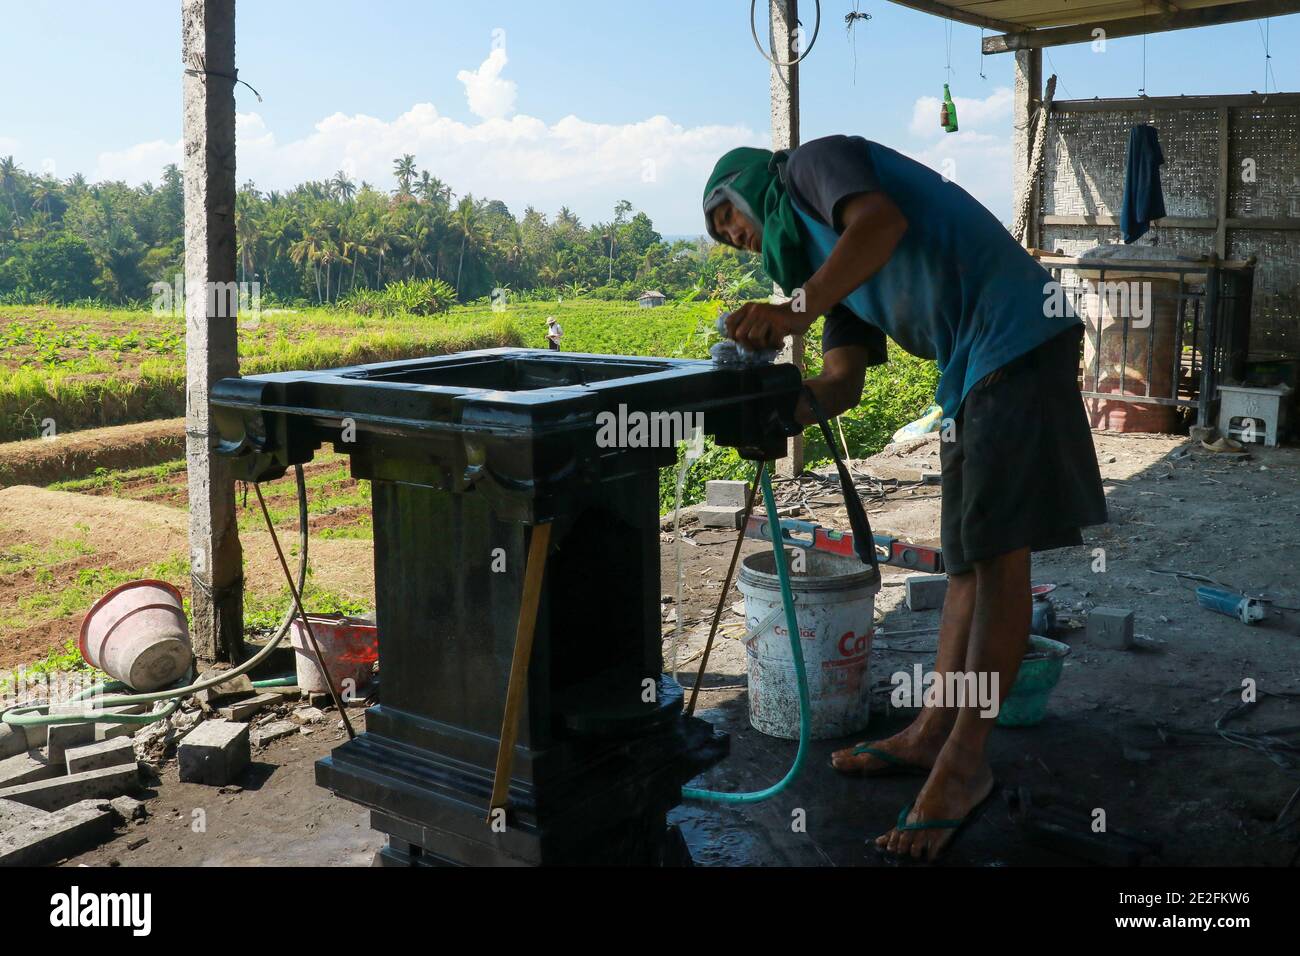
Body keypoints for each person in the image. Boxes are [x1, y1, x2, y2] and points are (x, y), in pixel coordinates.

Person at [703, 135, 1107, 861]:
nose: (732, 235)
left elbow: (881, 223)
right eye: (723, 237)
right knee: (964, 564)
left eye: (725, 213)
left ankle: (964, 763)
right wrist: (764, 414)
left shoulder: (811, 166)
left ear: (748, 184)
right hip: (968, 368)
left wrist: (792, 310)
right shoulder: (830, 278)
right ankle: (931, 734)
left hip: (1015, 335)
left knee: (999, 561)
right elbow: (841, 385)